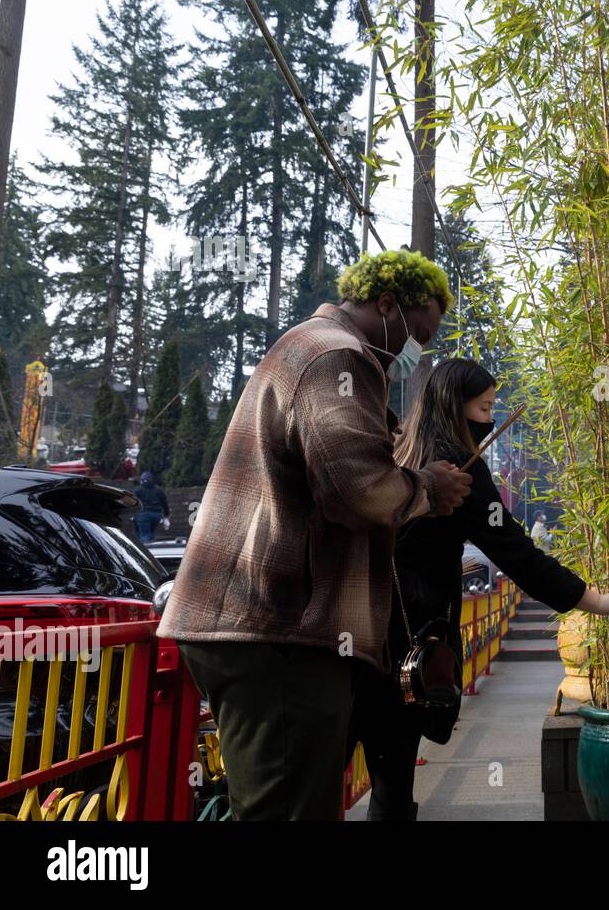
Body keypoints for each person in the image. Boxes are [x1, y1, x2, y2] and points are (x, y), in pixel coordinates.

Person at [157, 250, 473, 821]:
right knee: (289, 811)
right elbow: (358, 488)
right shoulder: (336, 357)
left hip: (266, 630)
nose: (416, 352)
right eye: (418, 335)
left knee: (291, 801)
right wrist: (427, 488)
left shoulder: (313, 347)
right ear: (386, 305)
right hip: (277, 629)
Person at [348, 357, 609, 821]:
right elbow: (515, 553)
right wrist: (595, 600)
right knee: (391, 781)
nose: (490, 419)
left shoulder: (396, 454)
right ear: (456, 406)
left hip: (348, 634)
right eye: (485, 408)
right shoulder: (458, 471)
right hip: (406, 645)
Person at [133, 470, 170, 544]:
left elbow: (133, 502)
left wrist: (132, 514)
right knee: (151, 534)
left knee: (145, 535)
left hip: (143, 515)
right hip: (156, 515)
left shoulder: (138, 490)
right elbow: (164, 503)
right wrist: (166, 515)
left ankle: (147, 551)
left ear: (142, 480)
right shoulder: (158, 490)